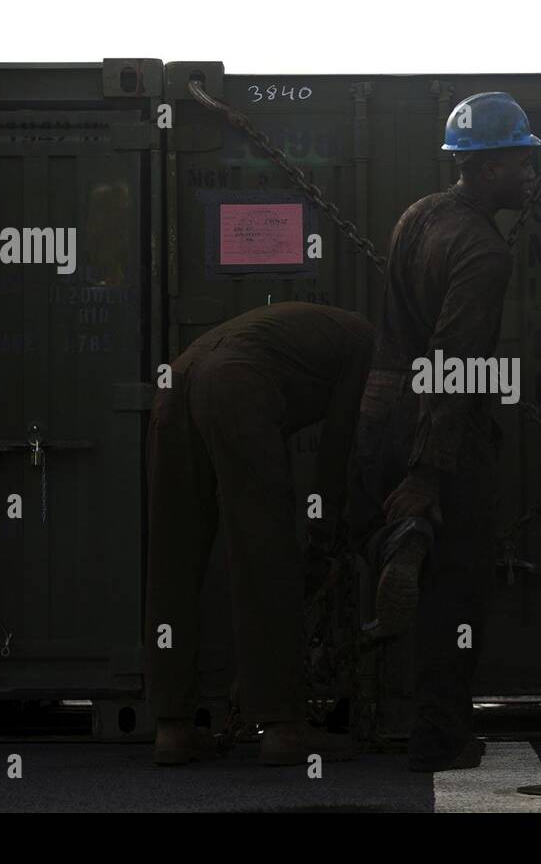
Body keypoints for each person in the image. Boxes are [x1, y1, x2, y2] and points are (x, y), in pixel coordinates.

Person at [348, 91, 540, 772]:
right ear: (487, 168)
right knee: (456, 590)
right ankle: (439, 737)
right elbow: (454, 367)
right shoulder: (484, 252)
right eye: (522, 159)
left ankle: (404, 544)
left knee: (403, 553)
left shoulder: (417, 215)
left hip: (381, 409)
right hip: (439, 427)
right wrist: (430, 473)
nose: (531, 173)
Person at [145, 301, 373, 766]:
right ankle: (284, 727)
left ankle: (171, 727)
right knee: (263, 559)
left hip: (175, 381)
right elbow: (336, 449)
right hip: (235, 385)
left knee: (172, 562)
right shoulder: (364, 345)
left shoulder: (306, 328)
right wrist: (322, 539)